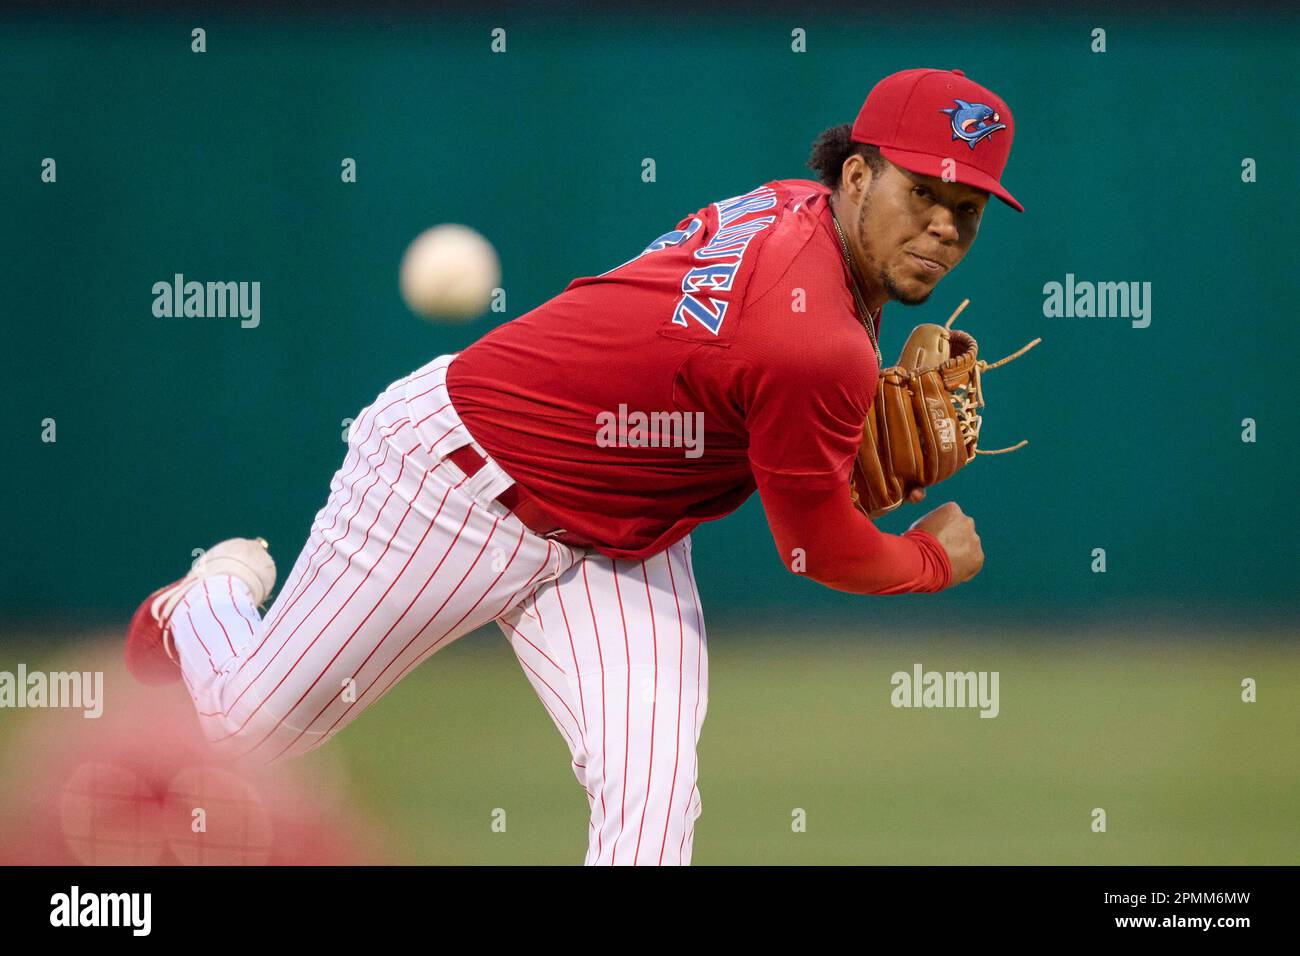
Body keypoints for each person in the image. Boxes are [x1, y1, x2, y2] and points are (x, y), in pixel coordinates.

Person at [125, 68, 1021, 865]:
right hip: (453, 482)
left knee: (653, 812)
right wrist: (932, 559)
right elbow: (816, 547)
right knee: (246, 733)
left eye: (968, 209)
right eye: (923, 190)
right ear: (858, 175)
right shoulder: (813, 341)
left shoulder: (799, 206)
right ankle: (201, 606)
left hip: (625, 539)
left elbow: (734, 366)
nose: (943, 225)